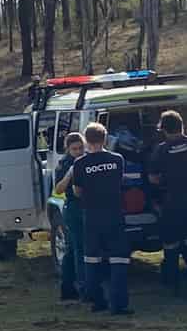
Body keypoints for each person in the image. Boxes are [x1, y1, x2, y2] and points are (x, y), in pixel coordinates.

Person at [146, 109, 187, 296]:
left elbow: (152, 178)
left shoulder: (161, 149)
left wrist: (166, 182)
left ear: (163, 129)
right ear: (182, 125)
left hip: (171, 203)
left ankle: (171, 282)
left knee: (171, 244)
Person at [71, 120, 131, 315]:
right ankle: (119, 304)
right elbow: (120, 182)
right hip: (114, 214)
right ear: (105, 138)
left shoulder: (79, 164)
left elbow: (77, 191)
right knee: (119, 259)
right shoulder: (117, 159)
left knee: (92, 259)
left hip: (92, 216)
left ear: (86, 141)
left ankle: (97, 302)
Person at [51, 130, 87, 301]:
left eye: (81, 148)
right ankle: (80, 287)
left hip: (87, 207)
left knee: (73, 249)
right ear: (68, 149)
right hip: (73, 208)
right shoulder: (65, 164)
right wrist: (70, 174)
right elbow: (58, 189)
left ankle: (68, 289)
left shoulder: (88, 159)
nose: (78, 152)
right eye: (75, 149)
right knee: (78, 249)